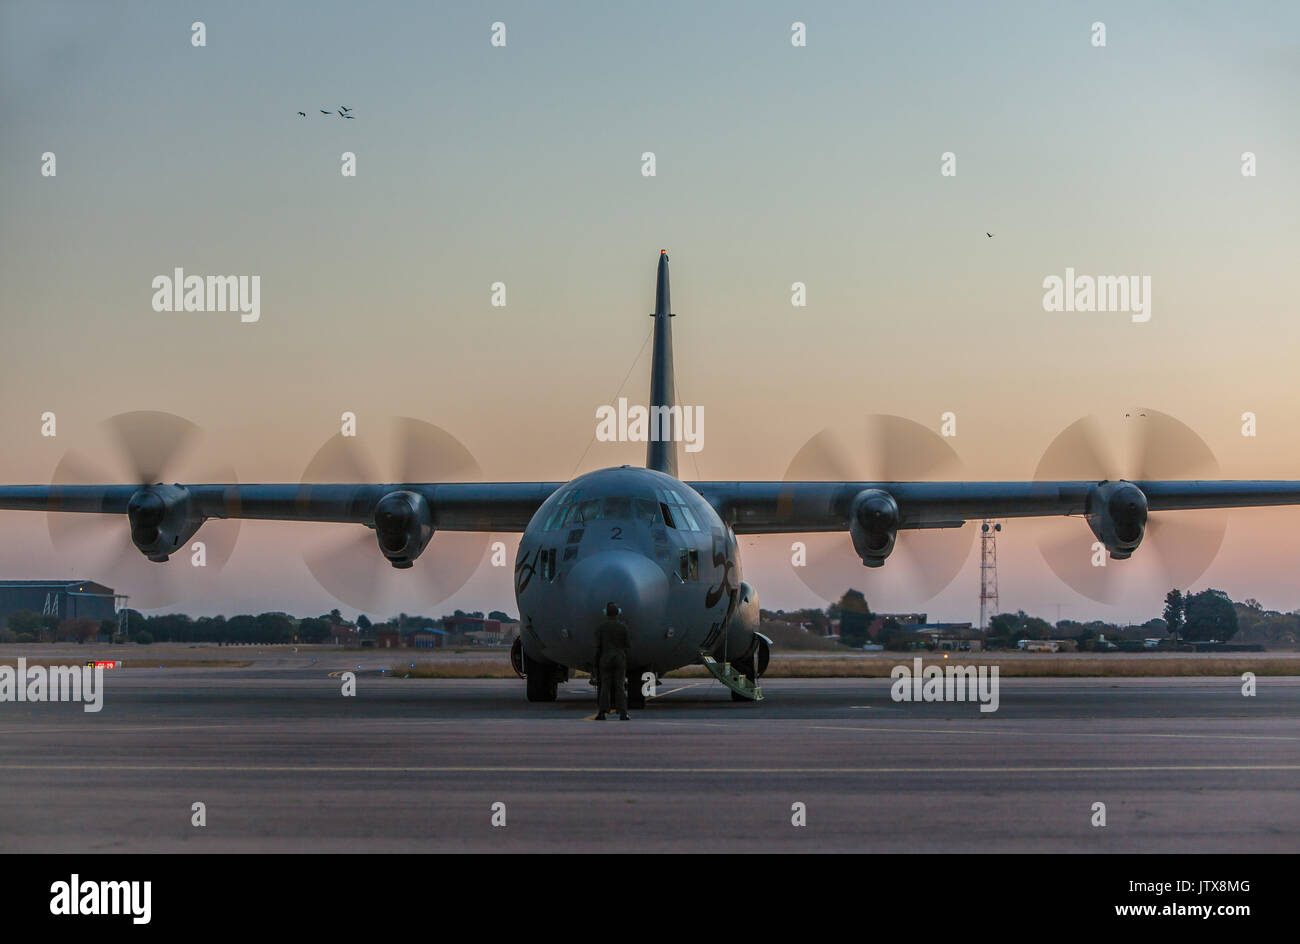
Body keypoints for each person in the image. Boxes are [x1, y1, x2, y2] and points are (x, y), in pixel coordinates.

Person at [594, 602, 631, 720]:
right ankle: (623, 713)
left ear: (606, 613)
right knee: (620, 686)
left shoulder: (601, 627)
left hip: (605, 658)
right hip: (619, 658)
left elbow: (597, 644)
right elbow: (627, 644)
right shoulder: (622, 627)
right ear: (618, 613)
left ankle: (602, 712)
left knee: (605, 686)